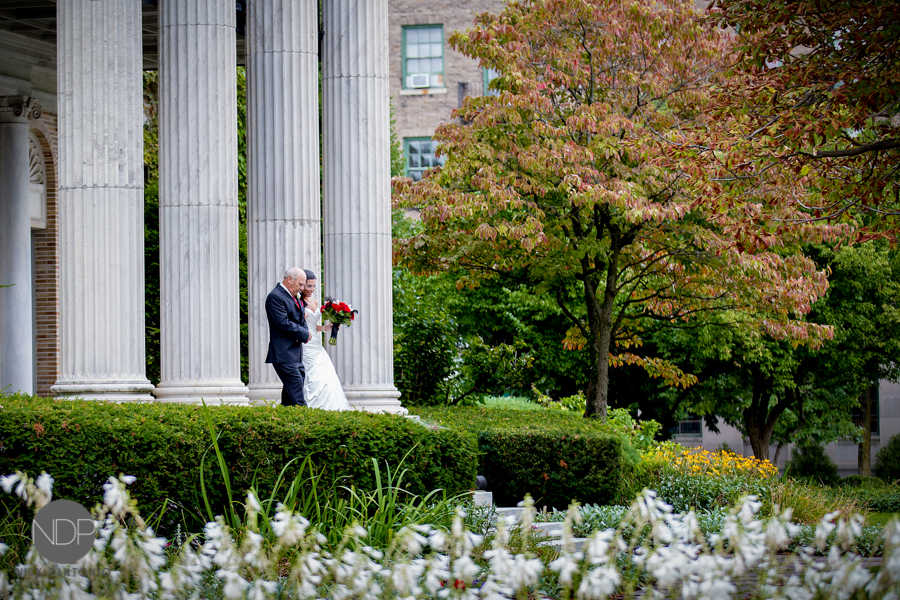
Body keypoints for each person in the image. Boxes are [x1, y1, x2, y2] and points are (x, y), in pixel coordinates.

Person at [299, 269, 351, 411]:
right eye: (309, 286)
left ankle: (330, 408)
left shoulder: (314, 301)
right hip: (306, 344)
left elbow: (313, 326)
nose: (312, 289)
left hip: (317, 345)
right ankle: (311, 406)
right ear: (302, 285)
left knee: (326, 376)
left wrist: (327, 327)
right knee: (312, 376)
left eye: (314, 286)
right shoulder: (298, 303)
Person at [265, 267, 311, 407]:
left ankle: (285, 421)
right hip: (283, 353)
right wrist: (304, 334)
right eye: (300, 284)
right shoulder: (275, 297)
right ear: (289, 280)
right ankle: (307, 425)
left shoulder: (291, 296)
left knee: (290, 399)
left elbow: (300, 318)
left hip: (295, 353)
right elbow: (282, 323)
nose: (302, 288)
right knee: (298, 398)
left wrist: (306, 330)